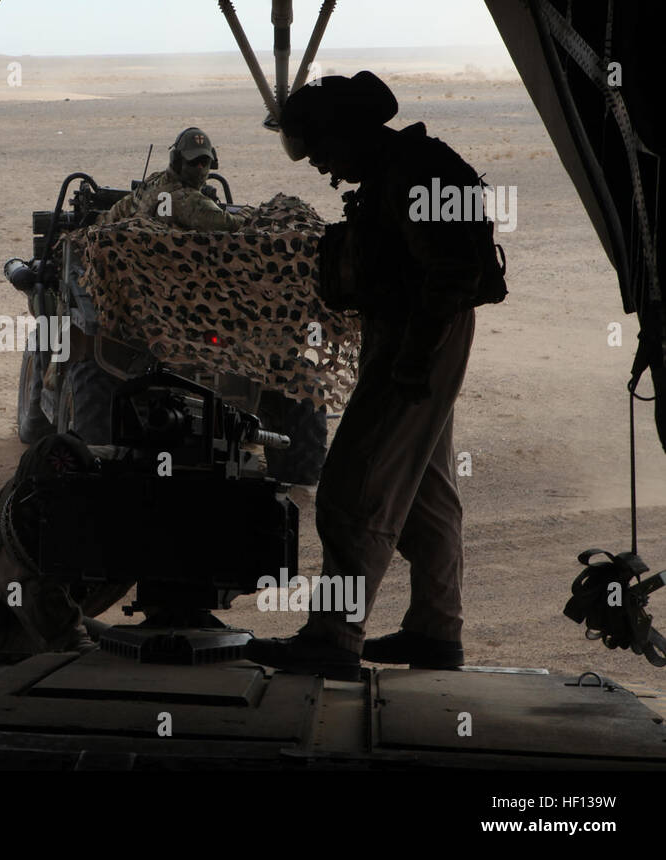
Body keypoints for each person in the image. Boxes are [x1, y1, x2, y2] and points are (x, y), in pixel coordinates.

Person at [244, 71, 503, 680]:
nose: (325, 168)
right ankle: (436, 633)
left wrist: (414, 359)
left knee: (351, 484)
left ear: (350, 131)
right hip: (408, 334)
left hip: (421, 338)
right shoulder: (398, 167)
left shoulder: (418, 169)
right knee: (427, 496)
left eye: (326, 151)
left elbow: (451, 274)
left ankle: (335, 637)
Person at [100, 127, 249, 231]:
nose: (199, 168)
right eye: (192, 162)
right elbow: (230, 224)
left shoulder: (154, 180)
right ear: (177, 162)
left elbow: (120, 210)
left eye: (204, 162)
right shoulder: (188, 200)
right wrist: (246, 215)